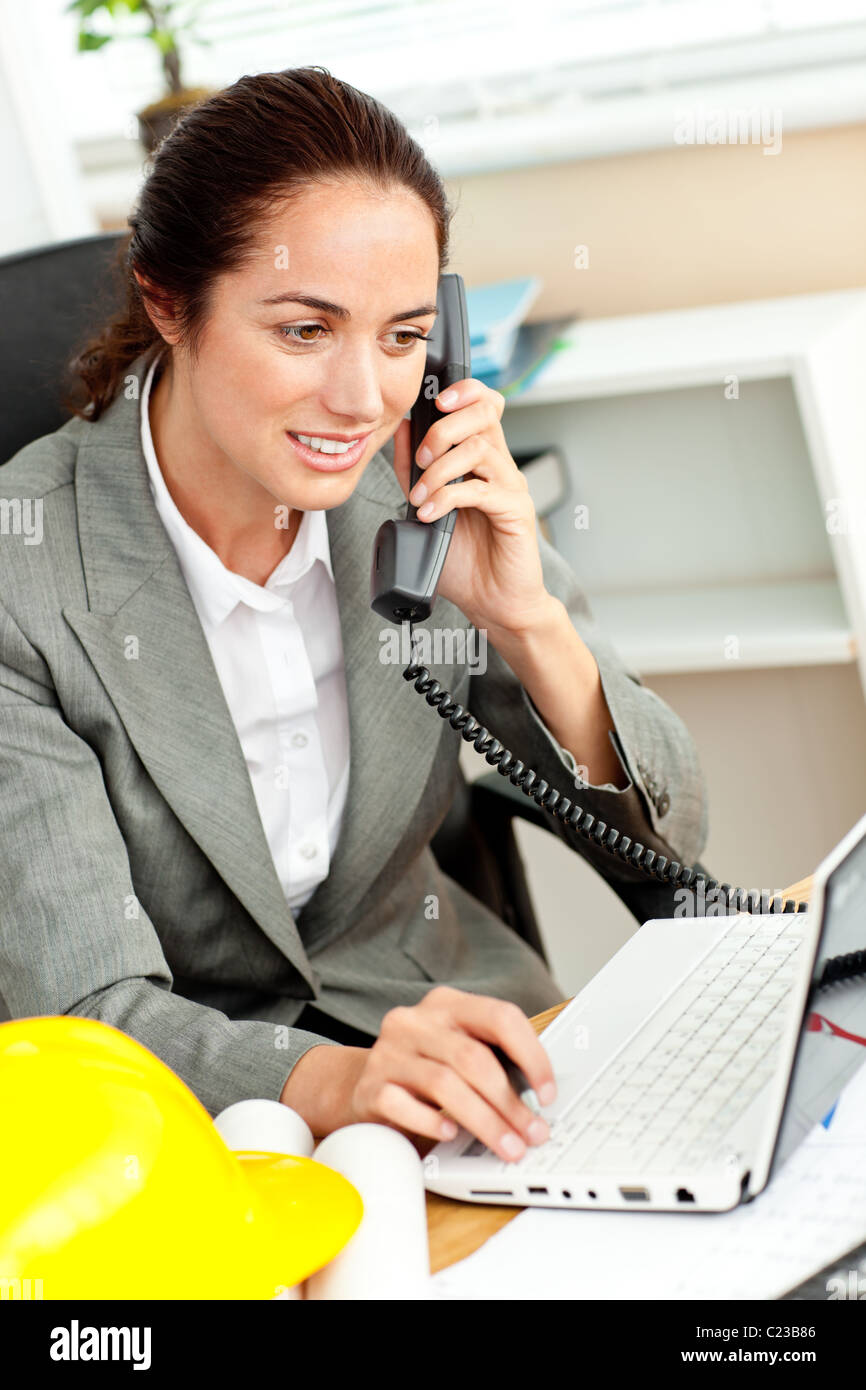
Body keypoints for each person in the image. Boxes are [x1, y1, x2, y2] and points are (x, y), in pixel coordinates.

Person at [0, 66, 709, 1167]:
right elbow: (80, 1009)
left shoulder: (413, 490)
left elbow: (673, 853)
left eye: (400, 336)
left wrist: (526, 621)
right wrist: (339, 1079)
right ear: (167, 302)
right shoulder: (23, 579)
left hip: (472, 1051)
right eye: (303, 331)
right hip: (186, 1132)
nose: (361, 398)